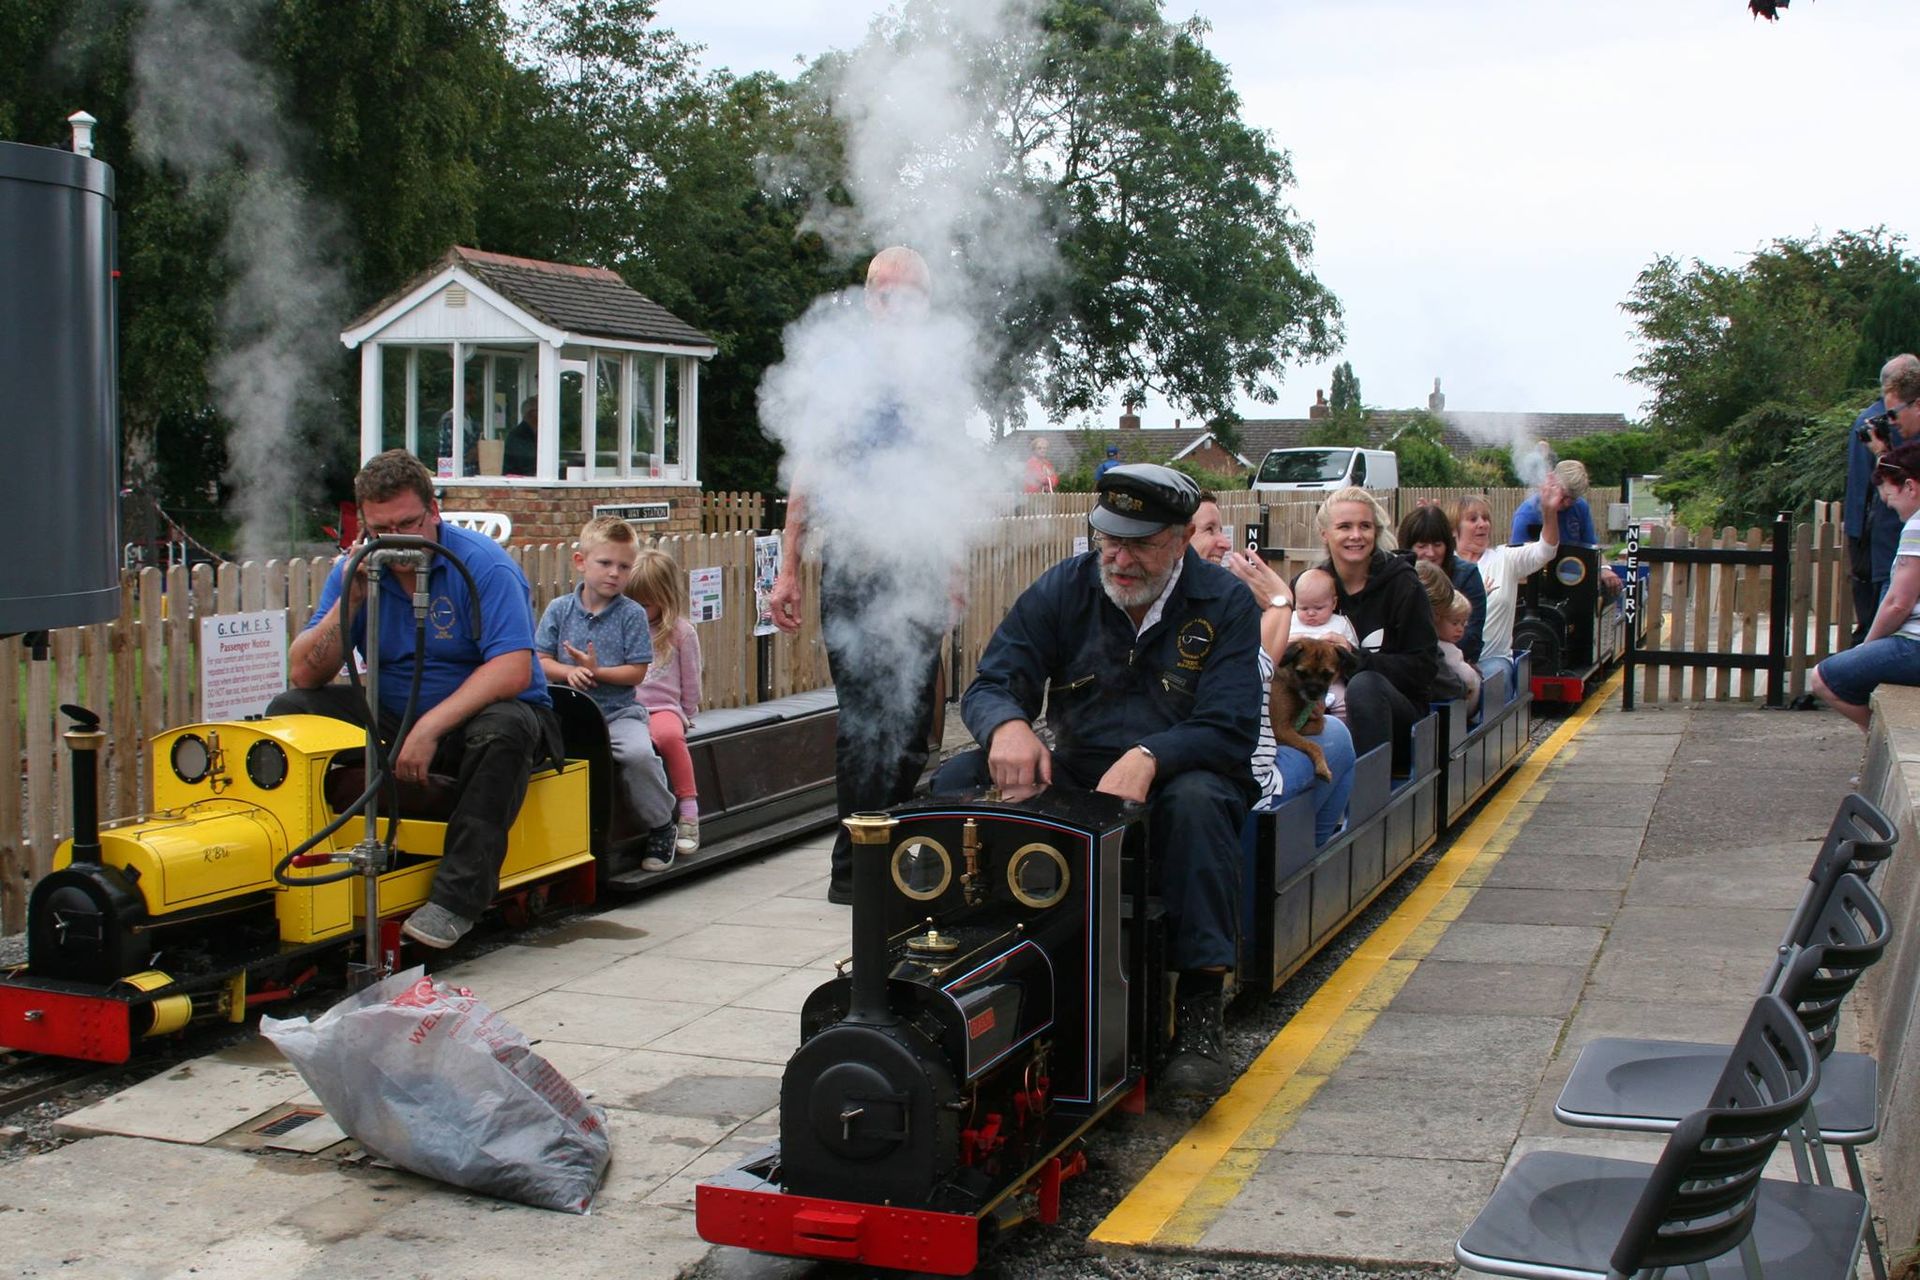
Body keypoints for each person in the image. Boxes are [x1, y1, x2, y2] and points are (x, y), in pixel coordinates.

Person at [933, 464, 1259, 1097]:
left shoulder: (1225, 602)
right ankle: (961, 967)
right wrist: (1006, 727)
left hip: (1183, 774)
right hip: (1080, 769)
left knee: (1199, 803)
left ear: (1181, 539)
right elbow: (993, 682)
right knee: (960, 776)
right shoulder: (1065, 588)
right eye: (1109, 539)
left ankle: (1199, 1010)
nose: (1119, 558)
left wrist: (1151, 756)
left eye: (1140, 544)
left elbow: (1231, 726)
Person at [269, 449, 562, 949]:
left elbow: (513, 668)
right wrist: (353, 595)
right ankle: (303, 853)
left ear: (434, 512)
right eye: (381, 530)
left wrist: (428, 728)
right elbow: (305, 672)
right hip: (394, 713)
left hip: (481, 717)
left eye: (408, 524)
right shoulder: (359, 571)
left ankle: (457, 900)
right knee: (290, 710)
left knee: (504, 730)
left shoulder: (484, 565)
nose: (398, 540)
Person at [767, 246, 947, 905]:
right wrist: (788, 567)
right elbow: (809, 467)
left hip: (920, 563)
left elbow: (950, 475)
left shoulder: (938, 374)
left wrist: (952, 569)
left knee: (914, 721)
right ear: (869, 299)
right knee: (867, 717)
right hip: (855, 562)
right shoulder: (842, 369)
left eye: (908, 293)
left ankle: (892, 850)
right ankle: (854, 869)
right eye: (883, 291)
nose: (894, 303)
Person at [1190, 493, 1356, 845]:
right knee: (1339, 741)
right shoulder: (1218, 605)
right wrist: (1280, 604)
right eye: (1209, 530)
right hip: (1240, 777)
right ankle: (1307, 852)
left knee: (1334, 731)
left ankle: (1302, 851)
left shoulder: (1214, 596)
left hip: (1213, 765)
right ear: (1177, 538)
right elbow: (1253, 675)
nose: (1225, 542)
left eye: (1221, 529)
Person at [535, 517, 678, 869]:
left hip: (617, 714)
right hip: (566, 714)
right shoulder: (559, 610)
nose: (614, 573)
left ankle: (662, 824)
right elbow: (539, 659)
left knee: (639, 756)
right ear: (581, 561)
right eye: (605, 563)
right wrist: (569, 671)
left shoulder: (632, 614)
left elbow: (637, 671)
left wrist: (597, 672)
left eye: (624, 566)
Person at [1315, 486, 1438, 771]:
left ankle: (1369, 789)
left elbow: (1423, 668)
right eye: (1344, 527)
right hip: (1327, 708)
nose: (1356, 535)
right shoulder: (1313, 586)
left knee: (1364, 685)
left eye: (1365, 526)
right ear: (1325, 534)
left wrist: (1353, 659)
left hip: (1397, 716)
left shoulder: (1403, 585)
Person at [1812, 439, 1920, 728]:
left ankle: (1879, 741)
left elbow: (1898, 604)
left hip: (1916, 645)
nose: (1889, 505)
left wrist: (1866, 647)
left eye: (1890, 496)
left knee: (1824, 678)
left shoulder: (1917, 525)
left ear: (1910, 487)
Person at [1452, 481, 1567, 695]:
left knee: (1494, 680)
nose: (1482, 524)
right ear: (1453, 529)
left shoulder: (1505, 558)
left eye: (1485, 519)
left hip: (1492, 659)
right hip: (1452, 659)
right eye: (1473, 519)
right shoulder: (1446, 565)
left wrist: (1549, 512)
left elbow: (1546, 550)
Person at [629, 547, 704, 856]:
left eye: (644, 604)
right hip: (626, 709)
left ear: (664, 599)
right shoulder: (623, 627)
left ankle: (688, 810)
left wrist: (687, 712)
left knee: (670, 737)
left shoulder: (680, 633)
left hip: (662, 708)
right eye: (631, 601)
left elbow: (691, 679)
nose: (636, 610)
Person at [1844, 355, 1920, 643]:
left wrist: (1881, 454)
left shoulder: (1873, 421)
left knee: (1882, 621)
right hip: (1882, 539)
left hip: (1884, 539)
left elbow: (1892, 489)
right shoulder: (1887, 422)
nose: (1893, 420)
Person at [1398, 504, 1487, 664]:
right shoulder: (1396, 576)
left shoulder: (1467, 575)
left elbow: (1472, 637)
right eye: (1422, 546)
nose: (1430, 553)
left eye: (1437, 545)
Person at [1286, 567, 1358, 723]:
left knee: (1344, 705)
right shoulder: (1290, 620)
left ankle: (1341, 728)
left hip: (1331, 684)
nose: (1311, 613)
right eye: (1303, 608)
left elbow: (1351, 652)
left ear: (1334, 603)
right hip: (1296, 683)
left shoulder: (1340, 623)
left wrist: (1345, 646)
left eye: (1318, 608)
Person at [503, 396, 538, 477]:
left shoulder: (537, 434)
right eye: (539, 411)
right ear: (531, 414)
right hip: (517, 481)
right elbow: (526, 463)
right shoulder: (518, 435)